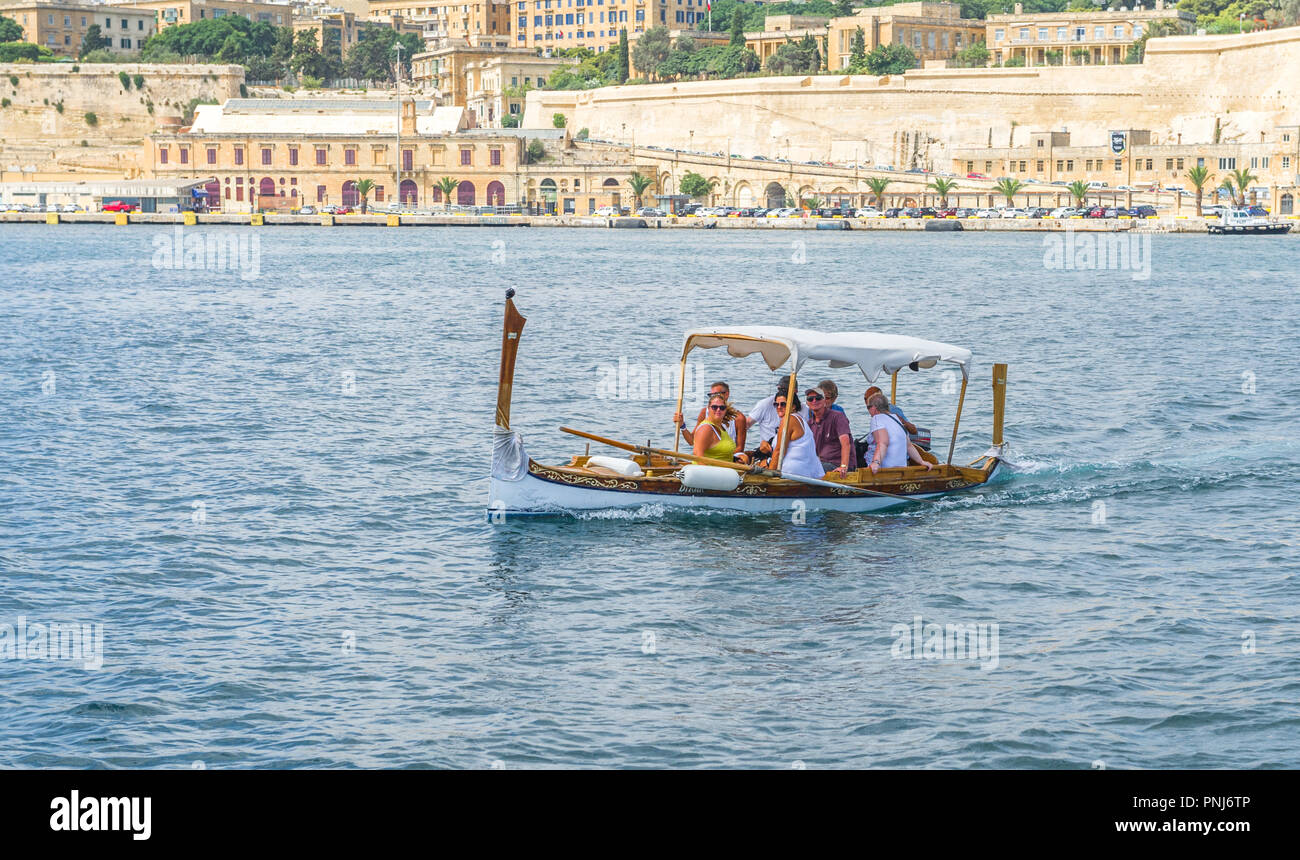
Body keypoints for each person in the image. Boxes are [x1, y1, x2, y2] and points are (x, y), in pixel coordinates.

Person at [864, 393, 933, 474]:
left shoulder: (876, 418)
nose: (868, 410)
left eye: (868, 407)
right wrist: (921, 462)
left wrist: (876, 463)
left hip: (883, 470)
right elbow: (909, 446)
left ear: (874, 408)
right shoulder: (897, 419)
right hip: (902, 470)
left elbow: (883, 443)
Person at [674, 380, 746, 455]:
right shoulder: (704, 413)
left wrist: (723, 458)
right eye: (711, 395)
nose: (714, 398)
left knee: (743, 457)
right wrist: (682, 426)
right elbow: (692, 441)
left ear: (727, 394)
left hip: (728, 459)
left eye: (716, 394)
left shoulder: (739, 418)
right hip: (708, 460)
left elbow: (740, 448)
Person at [769, 391, 824, 479]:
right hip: (808, 472)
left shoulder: (789, 420)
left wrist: (768, 476)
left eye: (783, 404)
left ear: (793, 406)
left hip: (794, 473)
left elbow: (779, 451)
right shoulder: (799, 419)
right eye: (776, 404)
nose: (779, 407)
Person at [806, 383, 856, 475]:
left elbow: (846, 443)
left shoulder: (838, 416)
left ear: (824, 400)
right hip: (821, 463)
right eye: (810, 399)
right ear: (807, 403)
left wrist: (843, 467)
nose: (814, 401)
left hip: (837, 464)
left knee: (809, 469)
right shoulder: (809, 424)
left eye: (818, 398)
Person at [692, 393, 738, 461]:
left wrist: (735, 459)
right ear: (708, 408)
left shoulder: (720, 427)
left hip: (726, 469)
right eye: (714, 407)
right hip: (709, 470)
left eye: (722, 408)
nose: (718, 409)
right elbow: (698, 457)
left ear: (725, 410)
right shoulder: (706, 429)